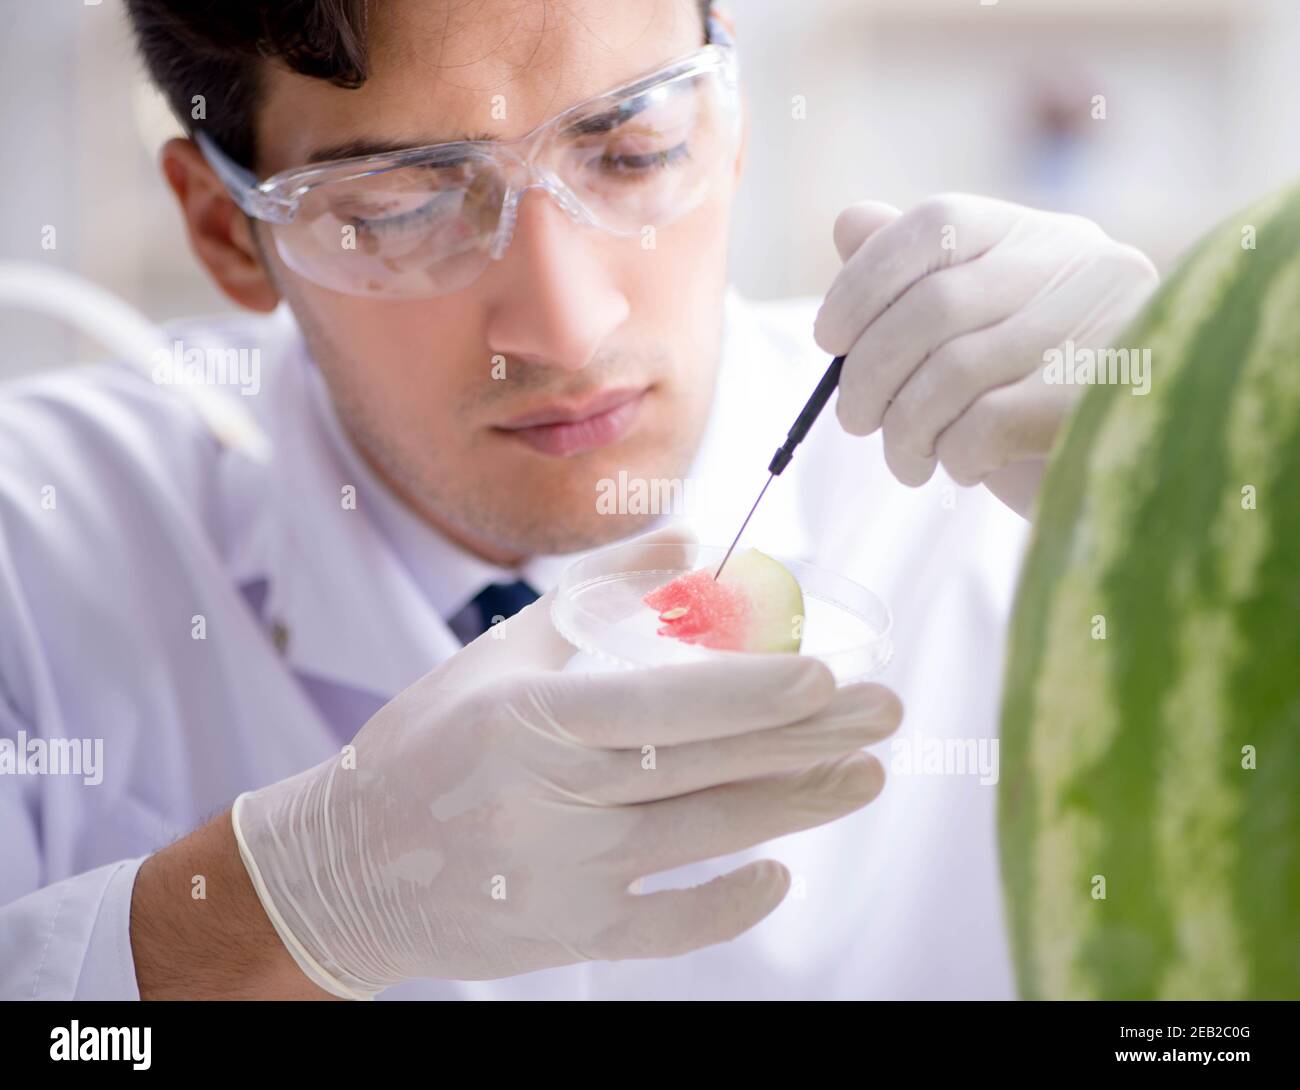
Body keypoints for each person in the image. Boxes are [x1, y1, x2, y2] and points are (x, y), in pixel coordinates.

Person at [0, 0, 1157, 999]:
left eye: (634, 149)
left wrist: (1232, 508)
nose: (566, 328)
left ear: (733, 117)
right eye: (401, 206)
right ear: (225, 229)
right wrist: (292, 902)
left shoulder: (1000, 498)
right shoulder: (37, 551)